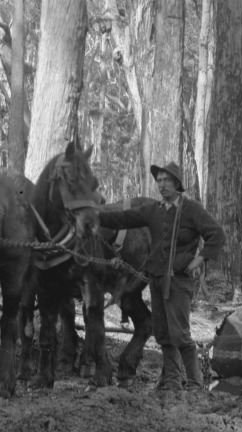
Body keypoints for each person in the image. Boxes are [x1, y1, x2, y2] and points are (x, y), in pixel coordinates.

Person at [96, 162, 224, 395]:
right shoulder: (153, 210)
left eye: (167, 180)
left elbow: (216, 234)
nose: (162, 185)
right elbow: (122, 219)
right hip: (155, 279)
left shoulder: (192, 209)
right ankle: (172, 382)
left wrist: (199, 260)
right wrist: (94, 215)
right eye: (160, 180)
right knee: (163, 333)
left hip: (178, 281)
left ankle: (196, 386)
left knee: (181, 334)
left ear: (177, 184)